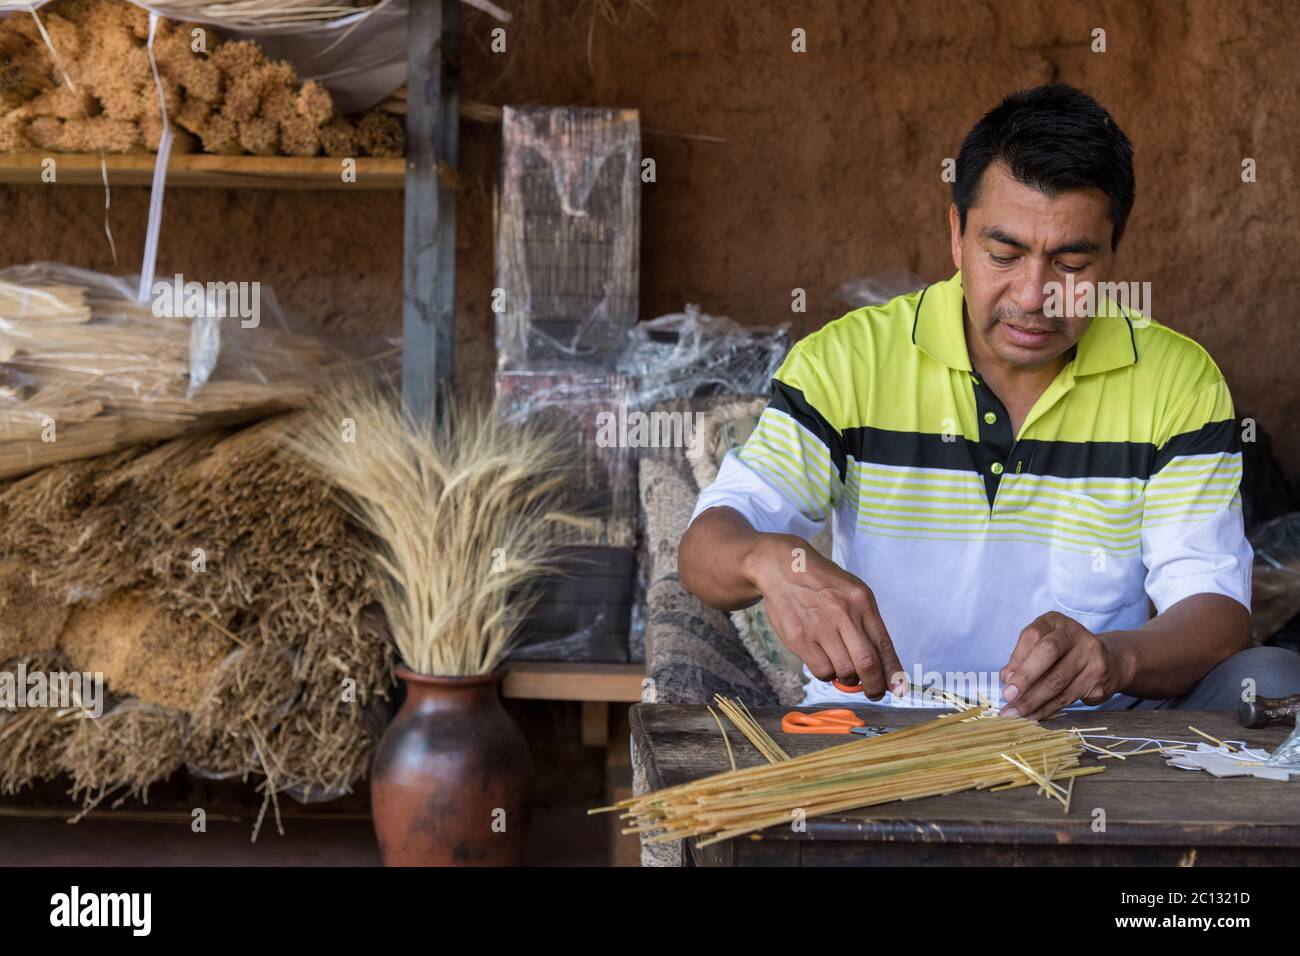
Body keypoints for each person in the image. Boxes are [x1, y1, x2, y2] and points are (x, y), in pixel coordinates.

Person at [678, 84, 1300, 718]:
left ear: (1114, 252)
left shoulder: (1178, 380)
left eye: (1072, 264)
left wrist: (1116, 659)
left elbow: (1216, 610)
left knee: (1272, 675)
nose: (1033, 295)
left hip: (1098, 731)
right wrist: (769, 561)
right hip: (888, 723)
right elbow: (705, 550)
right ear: (956, 234)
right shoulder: (849, 361)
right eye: (1004, 254)